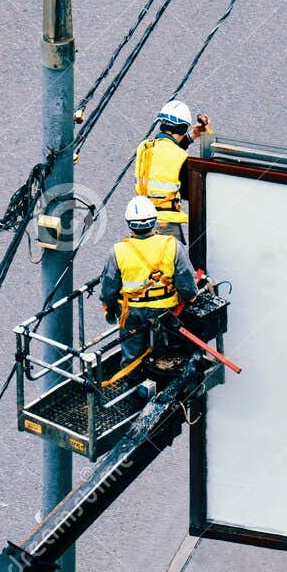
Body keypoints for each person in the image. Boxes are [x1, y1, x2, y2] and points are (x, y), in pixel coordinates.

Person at [100, 196, 199, 375]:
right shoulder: (172, 245)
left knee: (132, 356)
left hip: (133, 313)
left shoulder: (118, 251)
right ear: (154, 221)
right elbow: (186, 282)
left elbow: (109, 288)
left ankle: (133, 386)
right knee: (167, 351)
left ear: (129, 223)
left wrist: (109, 308)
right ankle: (161, 378)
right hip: (165, 311)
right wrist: (190, 297)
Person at [134, 99, 210, 242]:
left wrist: (191, 136)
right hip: (167, 225)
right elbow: (190, 193)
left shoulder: (144, 148)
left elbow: (166, 155)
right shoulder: (180, 156)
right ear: (182, 128)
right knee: (174, 262)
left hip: (141, 220)